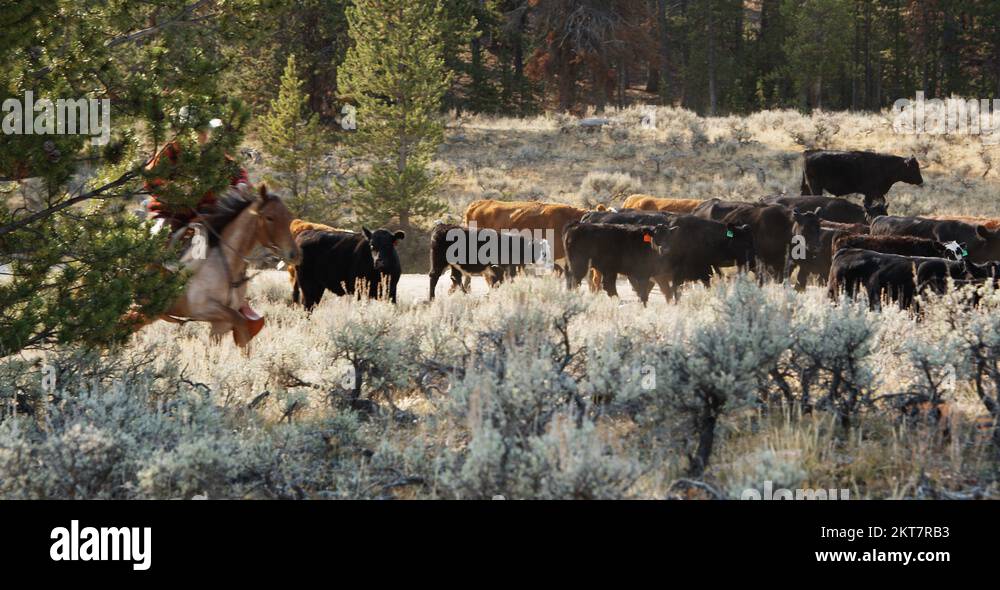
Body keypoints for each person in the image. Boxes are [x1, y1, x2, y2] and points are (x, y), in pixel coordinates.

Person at [145, 120, 264, 337]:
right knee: (156, 237)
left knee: (228, 246)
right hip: (169, 212)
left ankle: (235, 299)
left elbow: (237, 173)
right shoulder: (170, 151)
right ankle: (146, 294)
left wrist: (241, 183)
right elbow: (152, 179)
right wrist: (177, 190)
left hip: (201, 215)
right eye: (196, 129)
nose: (201, 134)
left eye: (203, 130)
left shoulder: (214, 154)